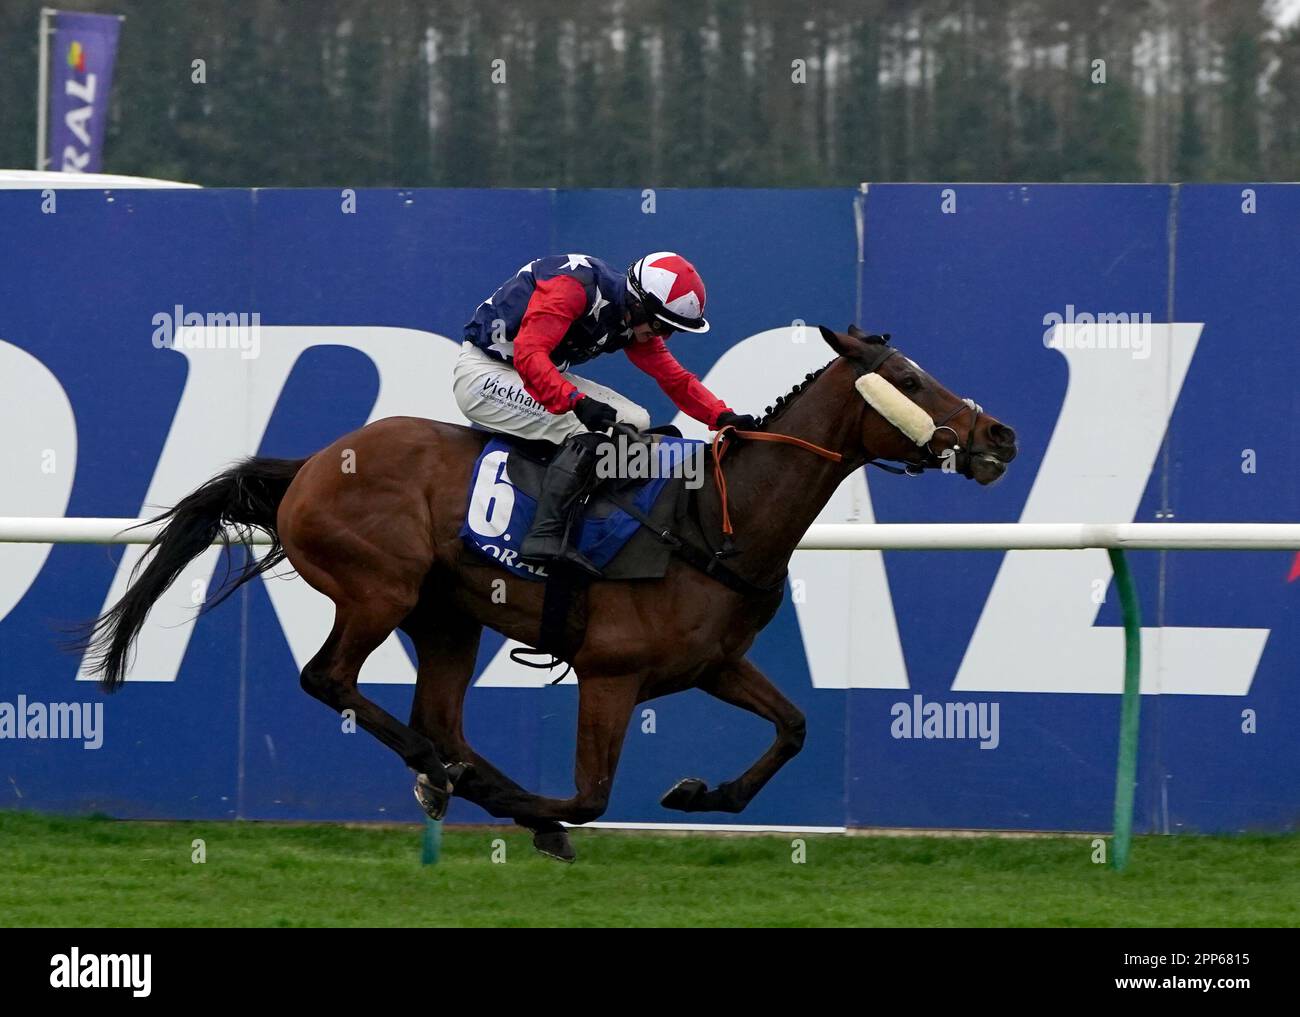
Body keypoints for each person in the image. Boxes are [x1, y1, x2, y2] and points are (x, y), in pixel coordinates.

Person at [453, 251, 756, 574]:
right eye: (661, 326)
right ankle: (544, 536)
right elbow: (530, 355)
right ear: (639, 303)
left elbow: (675, 379)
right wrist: (577, 401)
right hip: (484, 375)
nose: (663, 337)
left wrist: (721, 416)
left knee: (635, 420)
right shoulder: (571, 288)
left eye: (672, 331)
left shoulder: (630, 312)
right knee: (588, 426)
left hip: (526, 370)